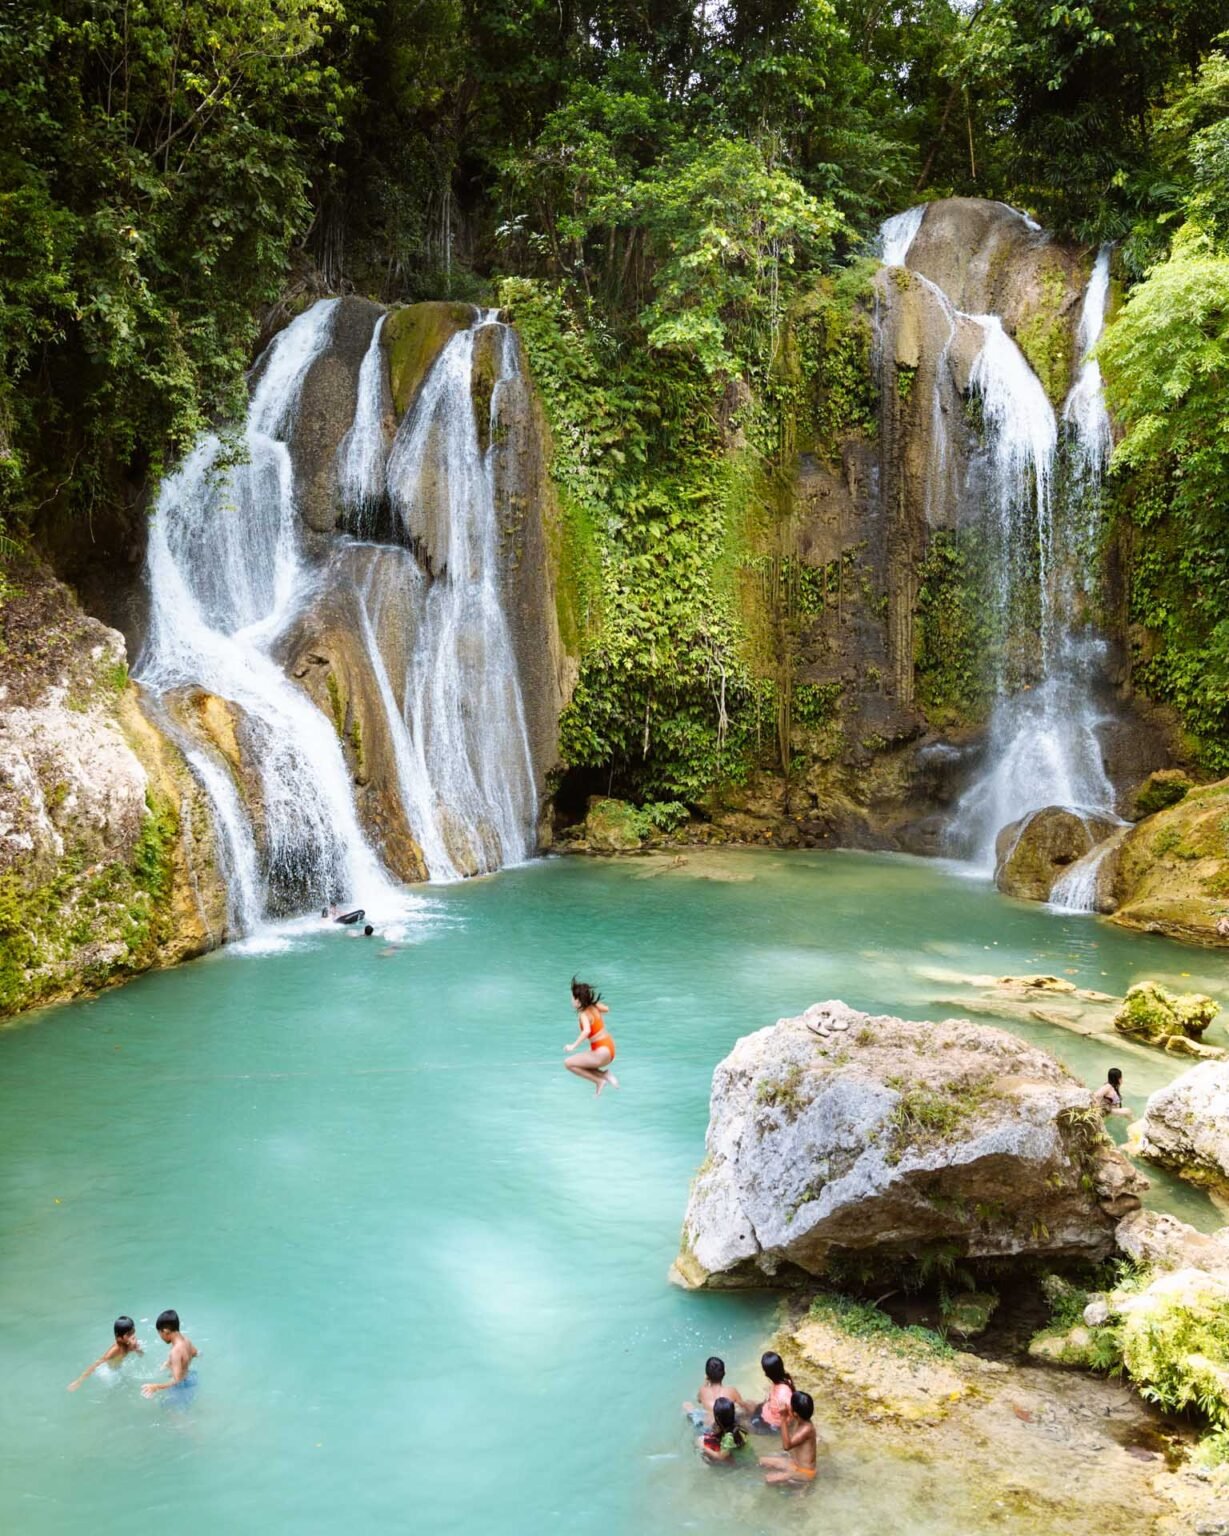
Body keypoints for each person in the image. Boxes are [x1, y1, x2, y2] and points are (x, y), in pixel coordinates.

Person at [563, 978, 619, 1095]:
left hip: (602, 1052)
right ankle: (604, 1075)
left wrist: (573, 1046)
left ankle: (599, 1080)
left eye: (572, 998)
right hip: (609, 1048)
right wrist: (592, 1004)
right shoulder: (593, 1007)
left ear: (578, 1001)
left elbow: (586, 1031)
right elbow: (607, 1009)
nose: (571, 1000)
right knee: (580, 1062)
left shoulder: (583, 1014)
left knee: (568, 1063)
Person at [67, 1315, 142, 1390]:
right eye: (129, 1334)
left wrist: (136, 1348)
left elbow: (141, 1355)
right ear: (119, 1337)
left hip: (120, 1367)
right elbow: (96, 1364)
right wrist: (79, 1381)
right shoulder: (115, 1350)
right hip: (111, 1373)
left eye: (133, 1332)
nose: (132, 1336)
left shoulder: (129, 1342)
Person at [759, 1390, 818, 1485]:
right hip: (794, 1464)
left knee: (768, 1479)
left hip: (805, 1473)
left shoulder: (807, 1429)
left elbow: (787, 1446)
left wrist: (783, 1417)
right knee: (761, 1461)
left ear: (795, 1414)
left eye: (790, 1405)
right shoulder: (800, 1420)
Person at [141, 1310, 198, 1399]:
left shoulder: (175, 1351)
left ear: (165, 1331)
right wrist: (168, 1363)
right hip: (190, 1378)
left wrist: (156, 1387)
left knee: (166, 1407)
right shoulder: (186, 1340)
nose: (161, 1337)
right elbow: (195, 1353)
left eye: (160, 1333)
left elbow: (177, 1380)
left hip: (180, 1389)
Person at [684, 1356, 751, 1428]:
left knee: (686, 1405)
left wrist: (706, 1382)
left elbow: (699, 1400)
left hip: (707, 1426)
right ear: (724, 1373)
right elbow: (743, 1406)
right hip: (725, 1424)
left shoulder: (702, 1390)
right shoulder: (732, 1391)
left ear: (707, 1376)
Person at [749, 1351, 794, 1435]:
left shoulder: (783, 1394)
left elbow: (791, 1413)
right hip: (771, 1413)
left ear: (766, 1374)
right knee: (755, 1408)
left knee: (750, 1425)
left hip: (774, 1424)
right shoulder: (785, 1380)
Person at [698, 1397, 746, 1466]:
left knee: (700, 1442)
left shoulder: (729, 1437)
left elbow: (720, 1457)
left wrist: (703, 1447)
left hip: (741, 1463)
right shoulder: (736, 1425)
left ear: (717, 1418)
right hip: (740, 1455)